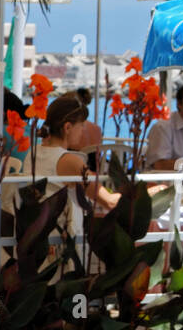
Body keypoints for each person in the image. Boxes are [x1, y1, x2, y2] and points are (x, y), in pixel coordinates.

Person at [27, 95, 120, 235]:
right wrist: (146, 195)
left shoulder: (33, 152)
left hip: (37, 234)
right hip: (63, 238)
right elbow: (109, 202)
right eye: (81, 125)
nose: (83, 130)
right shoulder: (69, 161)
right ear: (68, 127)